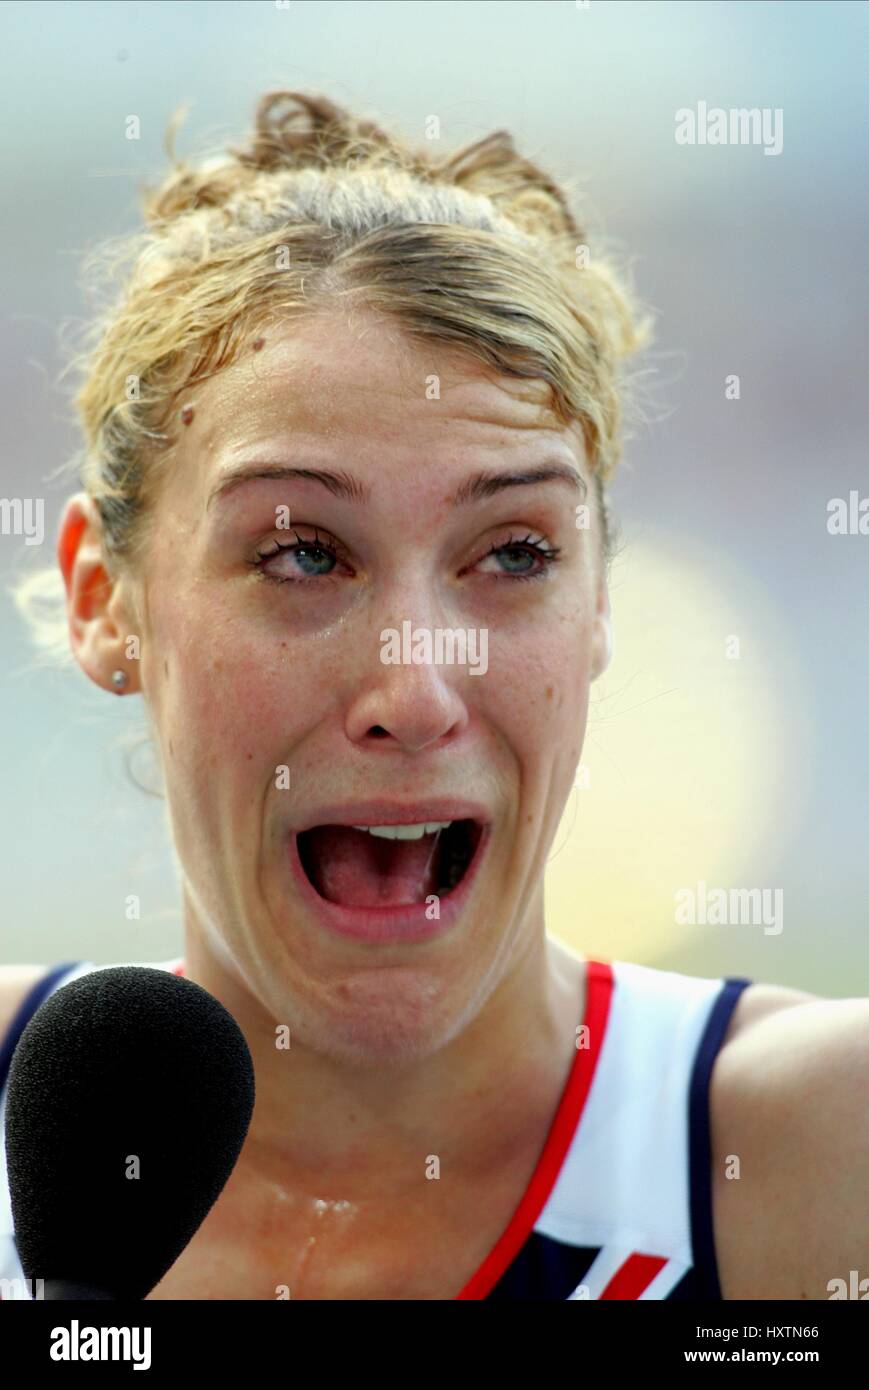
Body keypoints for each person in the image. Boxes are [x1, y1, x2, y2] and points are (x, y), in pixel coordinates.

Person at [2, 91, 865, 1301]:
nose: (411, 691)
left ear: (600, 598)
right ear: (105, 599)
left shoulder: (817, 1161)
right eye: (303, 552)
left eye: (512, 553)